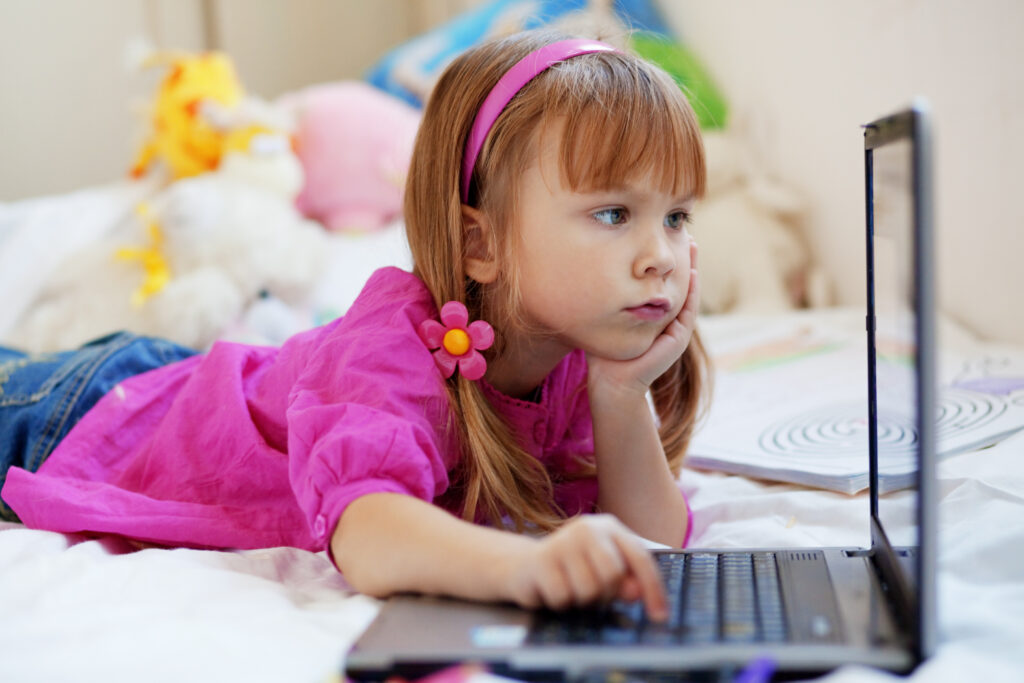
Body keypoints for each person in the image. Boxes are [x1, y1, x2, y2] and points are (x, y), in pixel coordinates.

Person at [0, 29, 710, 620]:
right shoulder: (395, 344)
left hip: (153, 385)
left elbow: (654, 545)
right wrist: (526, 567)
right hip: (96, 410)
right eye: (614, 214)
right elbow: (368, 531)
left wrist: (622, 393)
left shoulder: (574, 359)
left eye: (676, 216)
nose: (661, 256)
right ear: (480, 245)